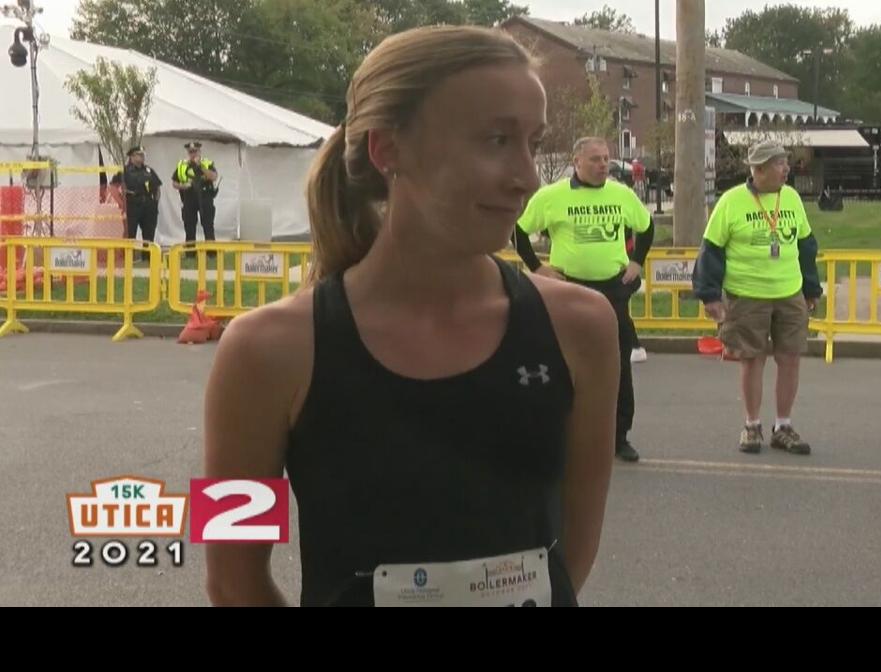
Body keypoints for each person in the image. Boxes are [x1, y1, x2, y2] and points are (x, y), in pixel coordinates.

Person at [203, 26, 618, 607]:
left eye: (532, 142)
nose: (526, 177)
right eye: (496, 140)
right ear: (387, 148)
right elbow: (230, 580)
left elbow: (571, 555)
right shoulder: (258, 350)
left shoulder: (583, 326)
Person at [514, 137, 653, 462]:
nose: (603, 164)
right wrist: (538, 267)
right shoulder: (552, 197)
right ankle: (562, 432)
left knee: (617, 362)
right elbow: (518, 232)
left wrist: (637, 262)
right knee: (564, 361)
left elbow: (645, 228)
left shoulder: (621, 194)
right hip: (568, 288)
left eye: (606, 158)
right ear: (576, 162)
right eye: (595, 159)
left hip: (611, 288)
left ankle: (618, 436)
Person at [692, 140, 822, 456]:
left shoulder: (790, 198)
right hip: (747, 295)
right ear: (758, 169)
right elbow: (711, 250)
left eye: (785, 163)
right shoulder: (732, 201)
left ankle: (783, 425)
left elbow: (805, 245)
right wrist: (709, 295)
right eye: (779, 164)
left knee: (790, 357)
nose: (786, 169)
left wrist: (810, 288)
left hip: (789, 292)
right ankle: (752, 425)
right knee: (752, 359)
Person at [110, 146, 162, 253]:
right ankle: (129, 256)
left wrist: (155, 202)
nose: (142, 157)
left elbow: (157, 187)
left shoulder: (149, 170)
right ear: (132, 156)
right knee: (130, 232)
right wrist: (121, 201)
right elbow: (113, 187)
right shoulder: (125, 171)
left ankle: (147, 256)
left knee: (149, 232)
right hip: (132, 204)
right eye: (139, 154)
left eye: (143, 154)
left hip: (148, 204)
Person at [172, 141, 219, 246]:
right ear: (188, 153)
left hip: (205, 197)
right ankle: (190, 252)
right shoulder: (182, 165)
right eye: (191, 152)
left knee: (208, 224)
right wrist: (183, 186)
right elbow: (174, 183)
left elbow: (214, 177)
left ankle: (211, 252)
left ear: (200, 151)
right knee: (189, 225)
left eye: (195, 151)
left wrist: (201, 166)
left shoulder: (207, 163)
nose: (193, 154)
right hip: (189, 197)